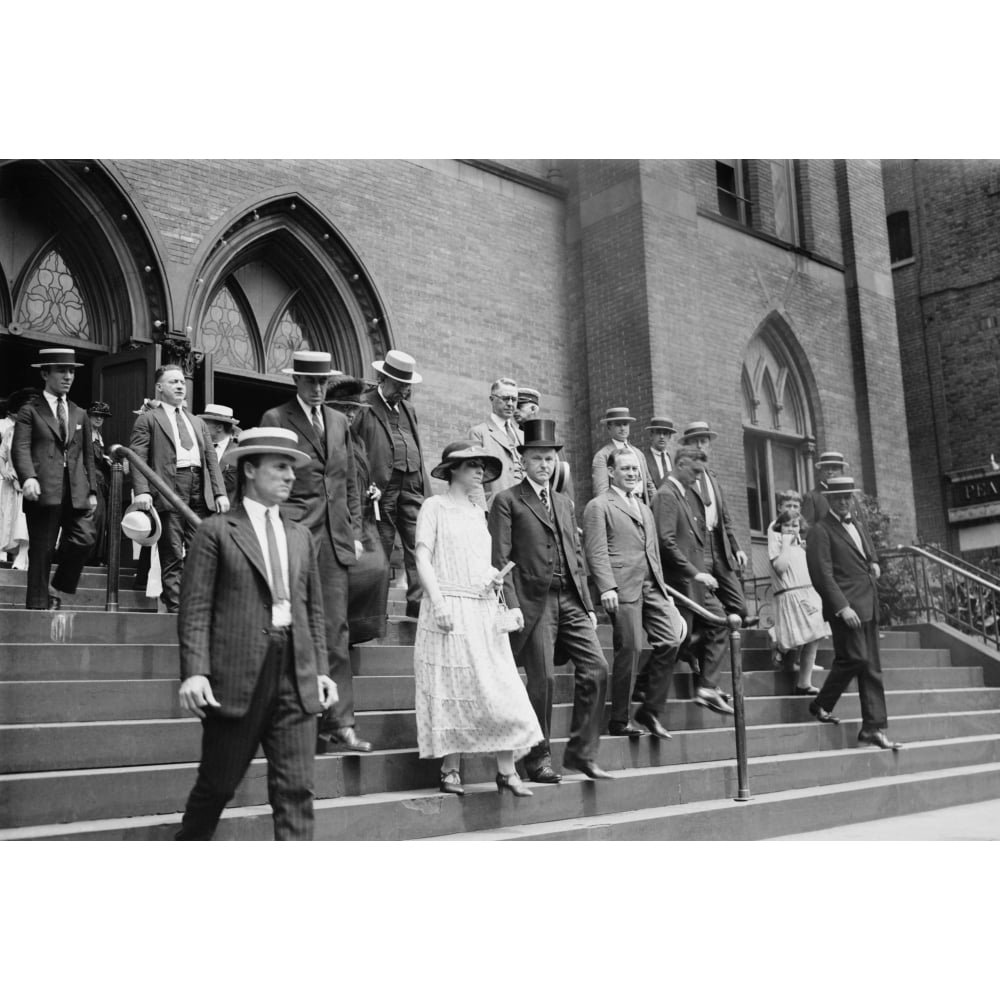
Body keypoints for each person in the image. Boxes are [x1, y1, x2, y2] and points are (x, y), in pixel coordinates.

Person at [174, 427, 337, 840]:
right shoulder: (217, 530)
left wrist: (320, 669)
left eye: (293, 469)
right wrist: (195, 671)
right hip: (238, 675)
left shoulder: (300, 535)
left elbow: (312, 610)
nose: (290, 476)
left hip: (295, 674)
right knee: (217, 787)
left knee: (296, 791)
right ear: (250, 470)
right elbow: (195, 608)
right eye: (280, 467)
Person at [414, 442, 543, 797]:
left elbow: (479, 559)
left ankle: (506, 771)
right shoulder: (434, 507)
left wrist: (494, 576)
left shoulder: (477, 512)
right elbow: (423, 557)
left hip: (482, 606)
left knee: (501, 684)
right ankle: (450, 770)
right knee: (453, 688)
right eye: (471, 465)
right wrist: (437, 601)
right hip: (448, 607)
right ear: (452, 470)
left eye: (482, 467)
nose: (479, 472)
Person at [489, 418, 611, 782]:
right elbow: (500, 559)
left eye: (550, 459)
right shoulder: (507, 501)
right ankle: (538, 758)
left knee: (597, 668)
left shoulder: (564, 501)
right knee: (543, 679)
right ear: (522, 461)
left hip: (570, 598)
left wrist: (589, 606)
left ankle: (581, 753)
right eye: (538, 458)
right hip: (532, 601)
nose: (545, 465)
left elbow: (575, 556)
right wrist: (510, 604)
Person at [260, 351, 369, 754]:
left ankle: (340, 725)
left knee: (337, 632)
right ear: (296, 382)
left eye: (323, 381)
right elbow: (268, 478)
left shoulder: (340, 422)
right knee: (292, 630)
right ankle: (293, 722)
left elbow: (350, 481)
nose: (319, 388)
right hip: (294, 534)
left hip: (335, 540)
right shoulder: (276, 418)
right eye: (311, 381)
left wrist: (354, 529)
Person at [583, 449, 685, 739]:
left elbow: (651, 551)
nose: (632, 474)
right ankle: (619, 719)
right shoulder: (599, 505)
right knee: (630, 649)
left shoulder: (643, 507)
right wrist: (606, 586)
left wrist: (665, 591)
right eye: (625, 469)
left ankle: (649, 709)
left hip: (652, 584)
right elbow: (595, 549)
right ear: (612, 472)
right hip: (622, 586)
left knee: (672, 637)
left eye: (635, 469)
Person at [805, 476, 902, 750]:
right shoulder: (820, 531)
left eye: (848, 496)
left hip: (868, 603)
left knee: (871, 666)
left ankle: (873, 728)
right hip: (846, 608)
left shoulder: (856, 523)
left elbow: (867, 551)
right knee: (856, 658)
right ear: (829, 500)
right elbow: (821, 575)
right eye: (839, 498)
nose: (844, 501)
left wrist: (873, 562)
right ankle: (822, 703)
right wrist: (842, 606)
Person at [129, 365, 229, 613]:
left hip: (199, 488)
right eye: (173, 382)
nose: (179, 386)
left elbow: (210, 459)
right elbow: (137, 457)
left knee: (200, 551)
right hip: (169, 487)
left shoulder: (197, 422)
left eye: (182, 382)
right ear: (159, 387)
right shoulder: (148, 419)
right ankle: (175, 609)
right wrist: (142, 491)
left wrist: (219, 492)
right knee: (172, 551)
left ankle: (195, 606)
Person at [12, 348, 97, 610]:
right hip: (42, 490)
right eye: (61, 370)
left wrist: (92, 489)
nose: (68, 376)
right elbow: (21, 448)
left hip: (76, 490)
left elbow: (87, 456)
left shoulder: (79, 412)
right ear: (45, 373)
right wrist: (28, 478)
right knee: (42, 552)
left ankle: (58, 585)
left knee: (85, 537)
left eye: (71, 371)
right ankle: (37, 607)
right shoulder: (30, 411)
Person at [651, 445, 734, 715]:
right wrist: (695, 572)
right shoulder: (666, 495)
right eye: (695, 472)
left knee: (718, 622)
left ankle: (708, 686)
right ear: (682, 464)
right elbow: (666, 542)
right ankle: (644, 682)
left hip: (693, 581)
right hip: (680, 582)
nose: (698, 478)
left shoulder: (683, 494)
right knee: (680, 638)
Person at [354, 349, 430, 619]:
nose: (403, 392)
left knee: (419, 544)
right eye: (399, 386)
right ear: (382, 379)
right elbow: (355, 450)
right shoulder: (364, 406)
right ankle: (376, 611)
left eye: (406, 387)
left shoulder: (409, 410)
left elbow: (418, 449)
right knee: (381, 547)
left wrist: (424, 489)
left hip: (411, 486)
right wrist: (364, 485)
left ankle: (418, 605)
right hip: (381, 491)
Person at [326, 375, 390, 645]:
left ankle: (353, 630)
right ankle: (337, 629)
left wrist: (373, 489)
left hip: (362, 517)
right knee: (358, 570)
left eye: (354, 410)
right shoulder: (326, 437)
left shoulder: (358, 441)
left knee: (378, 567)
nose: (351, 415)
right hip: (336, 516)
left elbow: (361, 474)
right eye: (345, 409)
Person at [676, 420, 758, 627]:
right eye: (695, 442)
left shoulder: (713, 478)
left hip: (719, 547)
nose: (700, 446)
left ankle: (724, 628)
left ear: (709, 446)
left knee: (739, 605)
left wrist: (736, 548)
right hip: (697, 547)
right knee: (701, 604)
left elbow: (725, 518)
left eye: (703, 442)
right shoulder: (683, 480)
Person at [766, 490, 829, 695]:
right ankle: (779, 645)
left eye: (795, 508)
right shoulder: (775, 531)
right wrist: (786, 542)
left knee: (815, 632)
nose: (791, 512)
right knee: (799, 635)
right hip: (791, 593)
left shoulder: (799, 541)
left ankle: (804, 680)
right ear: (779, 509)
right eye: (787, 506)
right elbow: (780, 567)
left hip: (807, 593)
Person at [467, 376, 525, 507]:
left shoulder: (523, 436)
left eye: (514, 399)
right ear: (492, 399)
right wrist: (481, 513)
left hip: (526, 512)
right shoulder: (479, 433)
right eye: (505, 398)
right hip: (496, 510)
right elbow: (474, 479)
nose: (510, 403)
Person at [0, 389, 35, 570]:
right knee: (11, 521)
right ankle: (17, 556)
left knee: (24, 520)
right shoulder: (10, 432)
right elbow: (2, 455)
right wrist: (5, 470)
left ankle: (23, 555)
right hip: (10, 483)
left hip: (28, 483)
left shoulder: (36, 431)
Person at [591, 406, 654, 504]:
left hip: (642, 504)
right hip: (620, 506)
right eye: (618, 425)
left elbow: (649, 485)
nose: (622, 428)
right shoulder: (603, 455)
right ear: (609, 428)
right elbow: (601, 491)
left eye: (625, 424)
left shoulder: (638, 453)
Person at [802, 451, 863, 529]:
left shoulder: (851, 497)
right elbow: (806, 528)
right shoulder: (812, 497)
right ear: (820, 471)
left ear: (842, 472)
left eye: (834, 468)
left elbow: (863, 528)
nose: (830, 472)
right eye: (826, 468)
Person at [87, 401, 113, 565]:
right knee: (91, 518)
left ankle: (95, 557)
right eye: (96, 415)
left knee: (101, 520)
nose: (99, 419)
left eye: (102, 416)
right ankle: (83, 557)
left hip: (101, 481)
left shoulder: (98, 435)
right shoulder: (84, 433)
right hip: (88, 480)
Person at [199, 403, 241, 504]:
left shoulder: (238, 452)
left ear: (219, 428)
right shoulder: (198, 446)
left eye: (205, 424)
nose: (200, 428)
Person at [642, 417, 676, 491]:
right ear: (651, 435)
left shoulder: (674, 459)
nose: (662, 437)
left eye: (665, 433)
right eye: (658, 433)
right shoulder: (643, 458)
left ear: (669, 437)